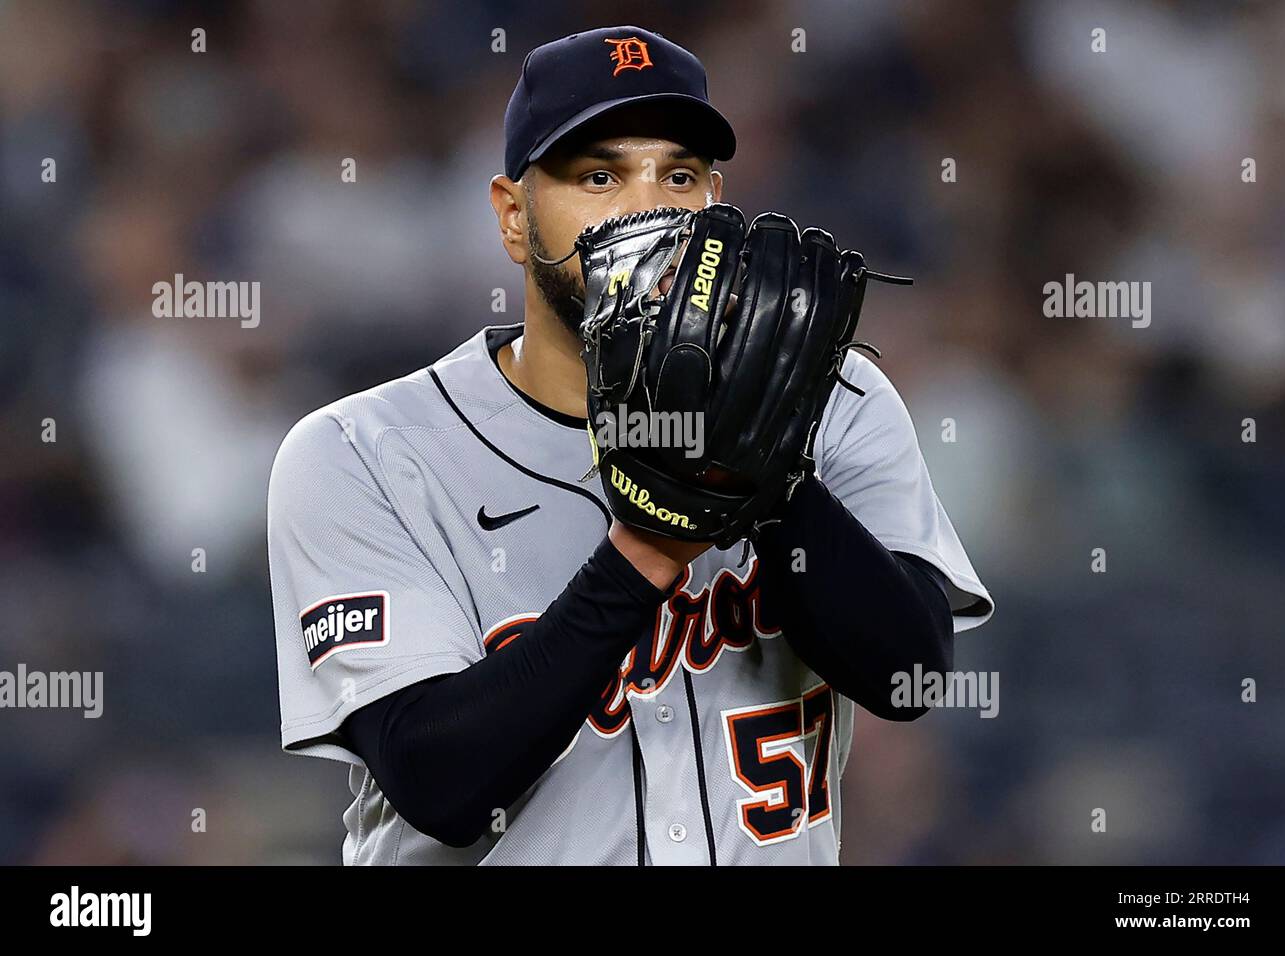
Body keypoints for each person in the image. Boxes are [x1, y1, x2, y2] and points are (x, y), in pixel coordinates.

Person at [268, 24, 993, 865]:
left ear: (715, 202)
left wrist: (776, 481)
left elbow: (912, 676)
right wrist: (647, 548)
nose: (647, 205)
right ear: (513, 217)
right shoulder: (362, 452)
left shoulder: (832, 400)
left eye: (677, 174)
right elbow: (438, 781)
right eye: (599, 175)